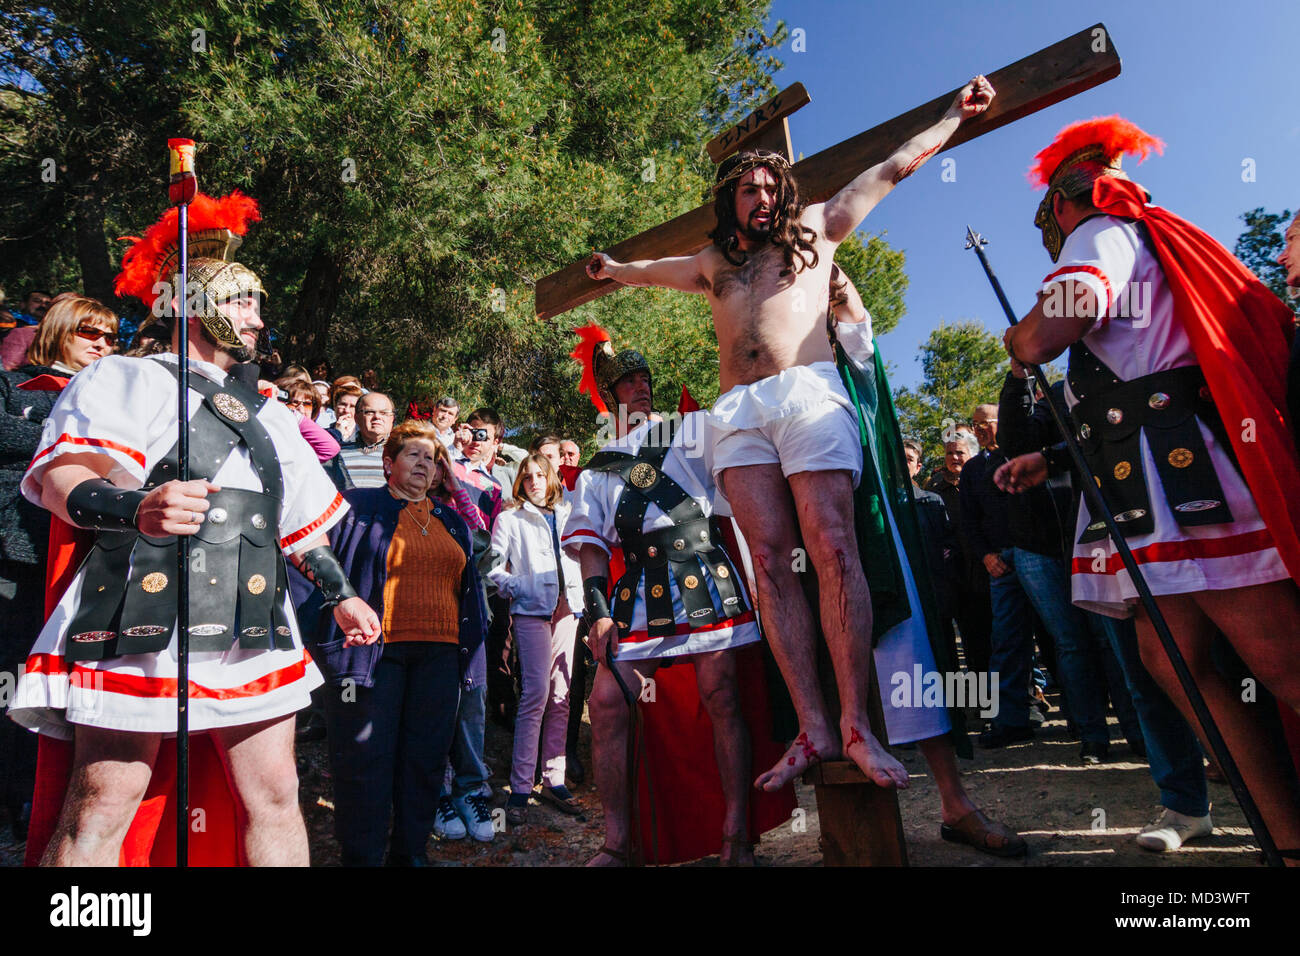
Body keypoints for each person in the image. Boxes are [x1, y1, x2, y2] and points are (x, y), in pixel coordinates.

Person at [586, 74, 996, 790]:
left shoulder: (817, 229)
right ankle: (811, 728)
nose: (765, 198)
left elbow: (894, 167)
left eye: (774, 188)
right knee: (771, 562)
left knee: (834, 548)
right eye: (751, 190)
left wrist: (952, 118)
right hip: (736, 412)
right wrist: (613, 268)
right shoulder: (715, 265)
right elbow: (656, 272)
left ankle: (857, 726)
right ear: (731, 201)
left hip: (808, 392)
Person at [6, 190, 380, 866]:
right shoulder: (123, 378)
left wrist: (341, 593)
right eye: (243, 302)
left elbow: (297, 525)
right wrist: (137, 507)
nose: (259, 320)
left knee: (275, 796)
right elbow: (64, 480)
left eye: (259, 305)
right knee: (105, 800)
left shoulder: (267, 411)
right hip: (140, 604)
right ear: (196, 303)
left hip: (254, 610)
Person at [998, 116, 1300, 860]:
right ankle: (1289, 839)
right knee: (1173, 661)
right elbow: (1123, 377)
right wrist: (1056, 461)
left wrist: (1018, 338)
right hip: (1139, 474)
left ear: (1065, 203)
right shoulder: (1133, 235)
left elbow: (1050, 331)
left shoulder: (1097, 231)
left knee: (1283, 662)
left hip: (1180, 473)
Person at [564, 330, 764, 865]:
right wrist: (598, 615)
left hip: (704, 573)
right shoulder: (596, 467)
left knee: (721, 694)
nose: (641, 386)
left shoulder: (693, 429)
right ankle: (618, 843)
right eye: (628, 381)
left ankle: (735, 836)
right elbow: (589, 549)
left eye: (644, 377)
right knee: (605, 703)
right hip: (636, 590)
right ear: (609, 396)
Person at [307, 420, 487, 865]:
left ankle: (410, 854)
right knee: (366, 763)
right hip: (373, 656)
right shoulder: (356, 505)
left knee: (425, 762)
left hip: (442, 657)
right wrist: (329, 621)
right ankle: (364, 857)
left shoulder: (451, 519)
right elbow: (308, 557)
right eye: (414, 454)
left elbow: (470, 592)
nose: (425, 463)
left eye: (433, 458)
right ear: (388, 463)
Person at [0, 294, 119, 840]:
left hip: (89, 560)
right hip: (18, 558)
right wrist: (66, 437)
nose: (102, 344)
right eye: (88, 333)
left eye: (111, 337)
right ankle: (15, 794)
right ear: (57, 332)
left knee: (74, 682)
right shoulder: (13, 386)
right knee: (14, 678)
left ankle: (60, 799)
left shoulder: (117, 395)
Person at [488, 453, 584, 825]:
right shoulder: (509, 518)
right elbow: (493, 567)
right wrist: (521, 587)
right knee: (535, 695)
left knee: (562, 694)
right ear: (520, 482)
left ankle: (555, 778)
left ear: (551, 477)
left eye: (540, 475)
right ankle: (522, 784)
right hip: (531, 609)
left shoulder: (568, 513)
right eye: (527, 476)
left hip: (567, 608)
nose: (534, 481)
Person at [338, 391, 395, 488]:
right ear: (356, 417)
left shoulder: (401, 454)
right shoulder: (338, 452)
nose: (377, 417)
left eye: (384, 413)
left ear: (392, 418)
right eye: (369, 412)